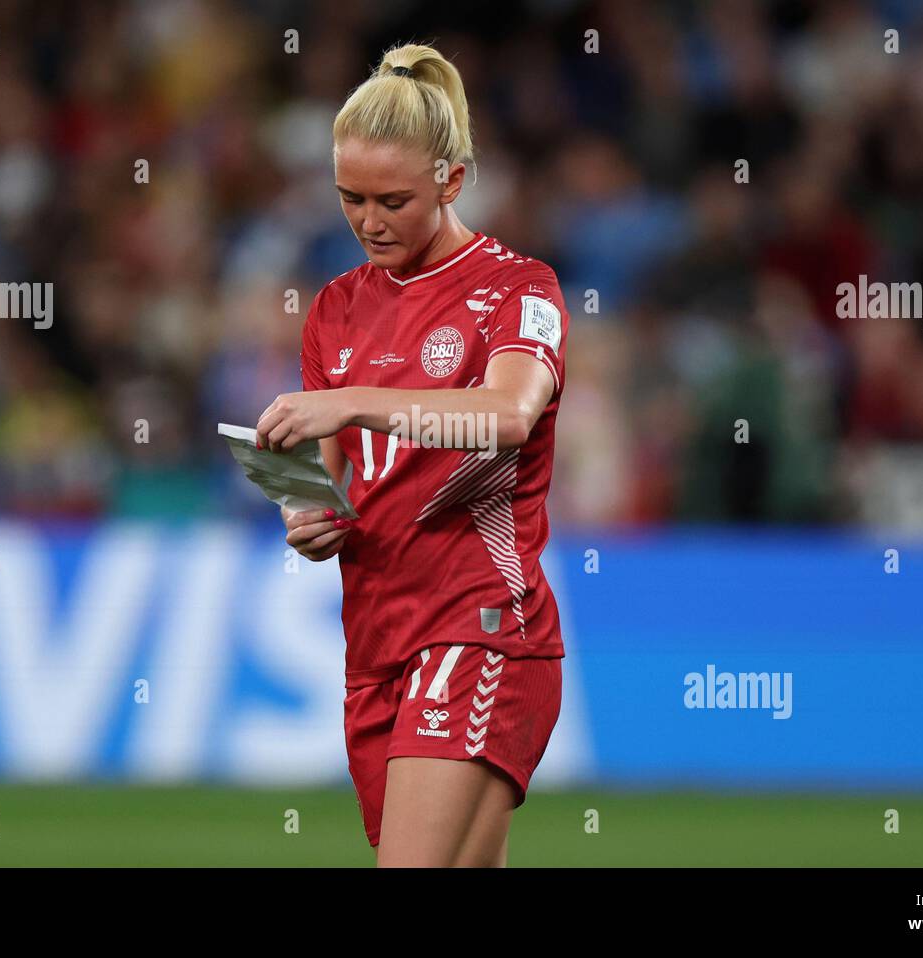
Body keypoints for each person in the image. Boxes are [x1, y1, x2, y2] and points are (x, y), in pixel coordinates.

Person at [254, 42, 569, 867]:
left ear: (453, 180)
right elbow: (326, 477)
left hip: (481, 625)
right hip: (378, 643)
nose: (369, 221)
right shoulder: (335, 310)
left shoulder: (517, 290)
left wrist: (356, 401)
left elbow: (509, 415)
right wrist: (304, 508)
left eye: (393, 199)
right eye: (350, 198)